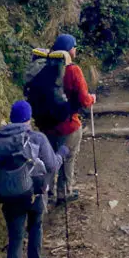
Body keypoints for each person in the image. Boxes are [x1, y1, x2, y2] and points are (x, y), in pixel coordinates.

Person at [0, 100, 67, 258]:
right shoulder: (37, 138)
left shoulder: (1, 140)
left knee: (15, 240)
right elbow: (52, 165)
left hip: (9, 196)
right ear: (28, 118)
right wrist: (62, 153)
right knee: (35, 226)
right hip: (34, 193)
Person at [42, 34, 95, 204]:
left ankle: (47, 193)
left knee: (49, 157)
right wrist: (92, 99)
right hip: (68, 124)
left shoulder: (43, 67)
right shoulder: (73, 70)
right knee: (68, 157)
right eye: (74, 46)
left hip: (46, 123)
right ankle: (64, 193)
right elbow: (84, 100)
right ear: (68, 49)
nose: (75, 49)